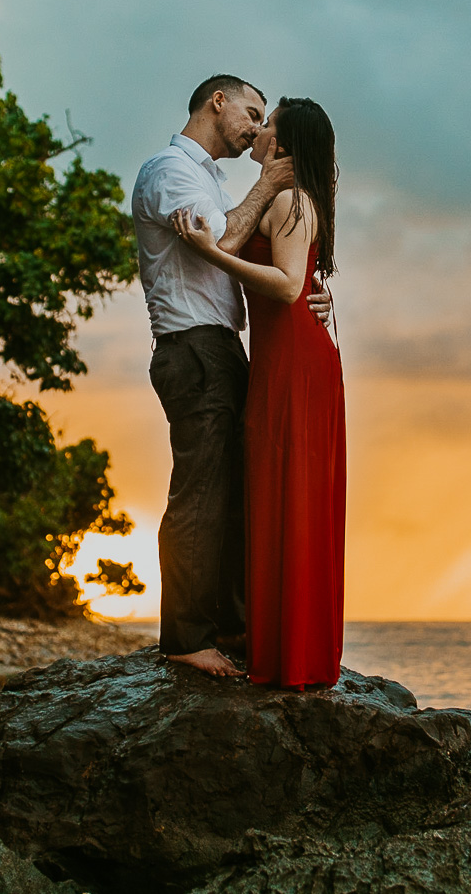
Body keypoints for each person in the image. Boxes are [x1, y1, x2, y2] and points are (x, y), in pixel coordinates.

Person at [131, 75, 331, 678]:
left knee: (233, 490)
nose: (255, 129)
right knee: (201, 492)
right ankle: (188, 636)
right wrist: (267, 182)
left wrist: (310, 295)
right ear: (218, 102)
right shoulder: (170, 170)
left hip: (221, 346)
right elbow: (213, 241)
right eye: (251, 112)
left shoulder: (213, 181)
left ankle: (231, 626)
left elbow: (263, 256)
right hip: (191, 345)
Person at [176, 97, 345, 689]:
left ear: (286, 142)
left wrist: (210, 254)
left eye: (268, 122)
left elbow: (287, 284)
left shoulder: (292, 201)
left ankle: (294, 654)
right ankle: (279, 646)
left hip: (297, 364)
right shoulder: (274, 200)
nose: (259, 129)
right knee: (275, 494)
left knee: (290, 495)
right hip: (279, 360)